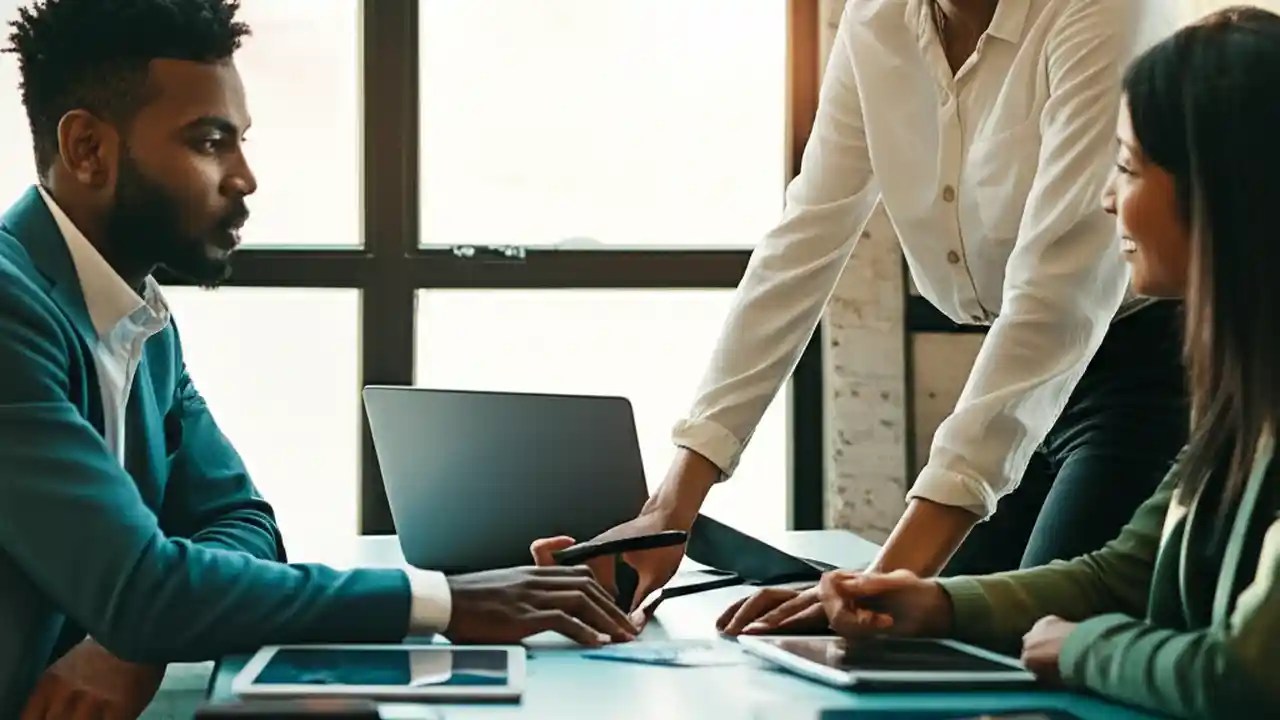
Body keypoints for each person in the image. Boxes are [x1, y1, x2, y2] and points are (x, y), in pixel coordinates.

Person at [0, 1, 636, 718]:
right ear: (88, 149)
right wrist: (446, 601)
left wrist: (132, 635)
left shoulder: (136, 313)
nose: (245, 177)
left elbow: (243, 523)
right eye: (210, 142)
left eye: (240, 141)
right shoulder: (10, 306)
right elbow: (143, 589)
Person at [538, 0, 1190, 631]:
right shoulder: (877, 19)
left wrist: (871, 593)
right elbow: (806, 238)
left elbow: (1058, 296)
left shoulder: (1105, 11)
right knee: (945, 646)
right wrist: (669, 509)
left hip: (1149, 366)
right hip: (1013, 377)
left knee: (1029, 645)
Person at [811, 7, 1280, 718]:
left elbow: (1243, 673)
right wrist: (932, 601)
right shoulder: (1244, 404)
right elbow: (1122, 573)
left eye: (1126, 166)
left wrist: (1085, 647)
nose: (1105, 196)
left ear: (1219, 187)